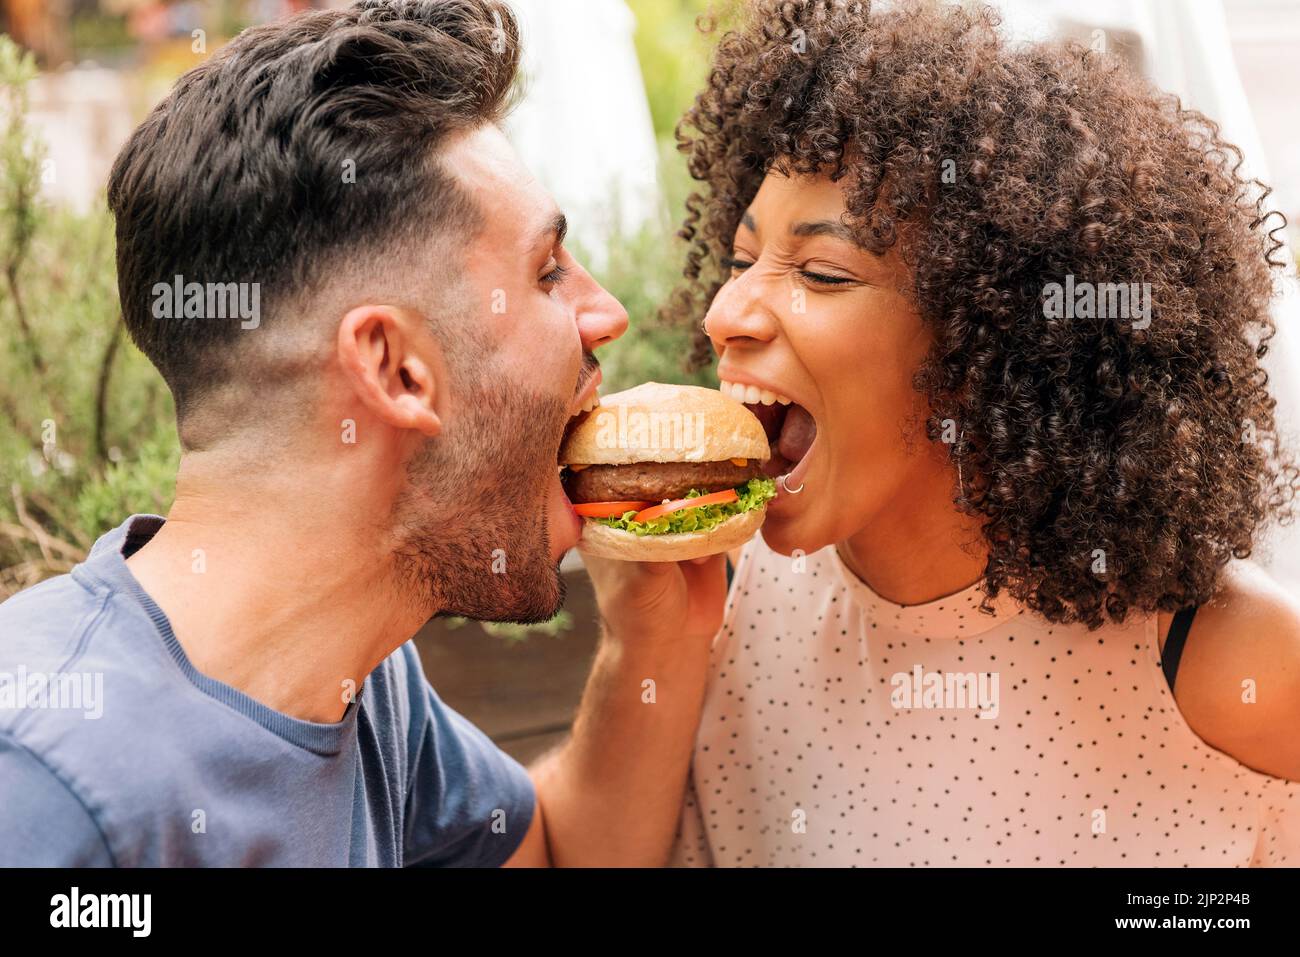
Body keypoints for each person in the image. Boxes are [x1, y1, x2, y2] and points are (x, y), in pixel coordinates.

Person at [0, 0, 723, 867]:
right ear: (393, 367)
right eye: (547, 272)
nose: (607, 314)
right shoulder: (45, 794)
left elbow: (562, 854)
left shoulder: (364, 687)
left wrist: (655, 636)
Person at [591, 0, 1300, 866]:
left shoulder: (1222, 656)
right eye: (742, 261)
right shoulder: (720, 593)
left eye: (819, 271)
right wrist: (644, 640)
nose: (724, 312)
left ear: (986, 342)